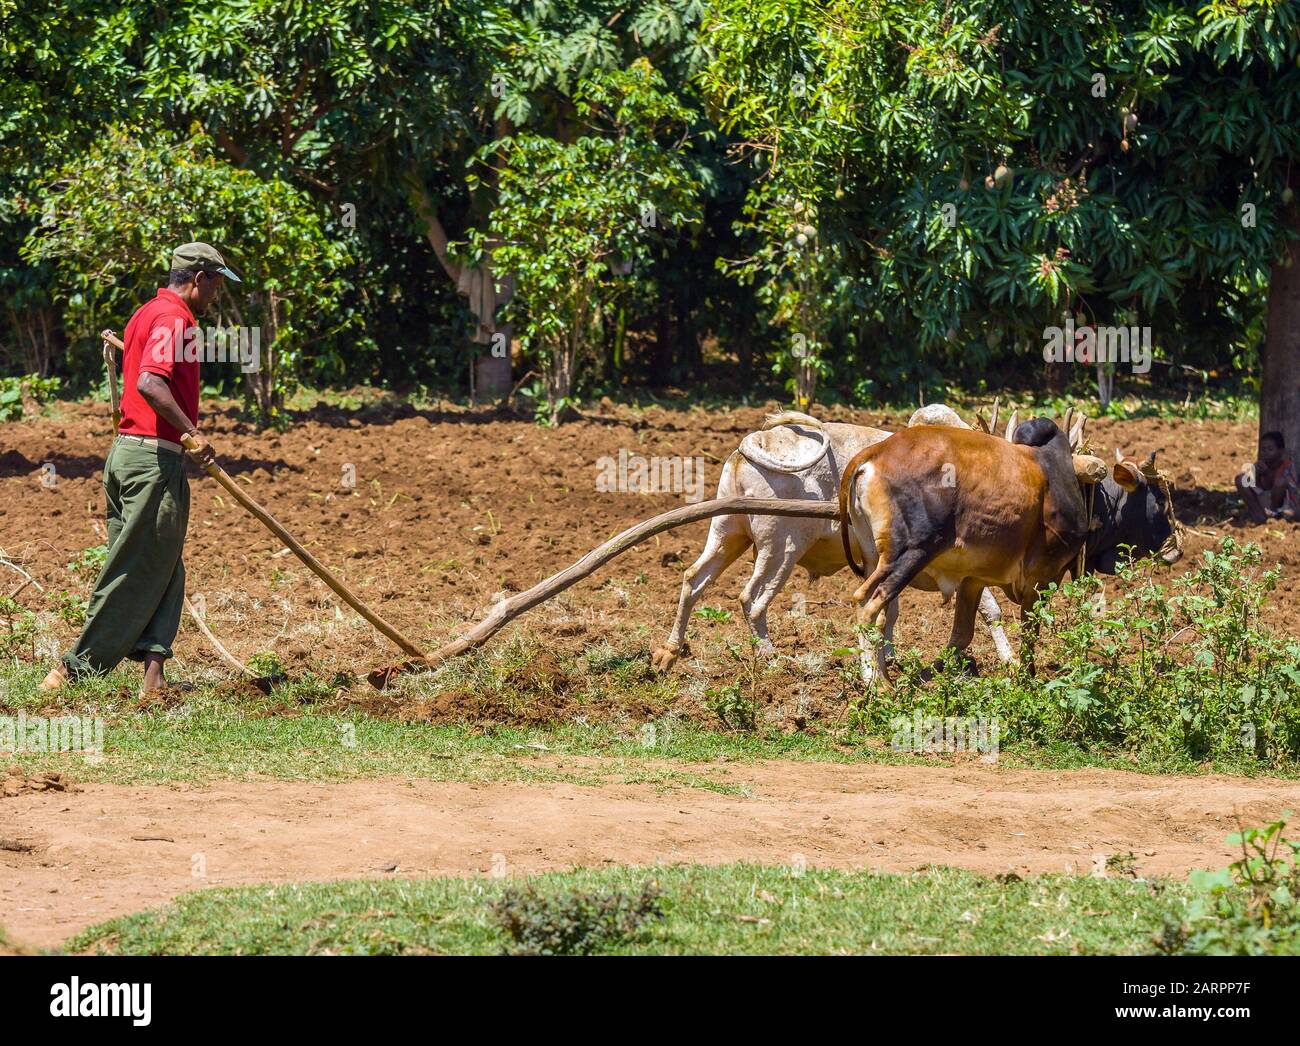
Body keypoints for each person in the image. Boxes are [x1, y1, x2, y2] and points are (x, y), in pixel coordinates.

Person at [40, 243, 238, 693]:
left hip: (128, 456)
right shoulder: (175, 319)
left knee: (163, 561)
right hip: (154, 459)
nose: (218, 294)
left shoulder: (147, 314)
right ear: (199, 277)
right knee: (135, 567)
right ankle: (74, 670)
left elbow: (142, 366)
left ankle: (154, 675)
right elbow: (150, 381)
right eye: (217, 283)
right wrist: (192, 432)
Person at [1236, 430, 1299, 524]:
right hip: (1265, 502)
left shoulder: (1287, 466)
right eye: (1263, 449)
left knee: (1280, 482)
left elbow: (1280, 486)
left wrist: (1268, 473)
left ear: (1280, 451)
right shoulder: (1261, 465)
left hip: (1285, 505)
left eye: (1270, 449)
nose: (1266, 452)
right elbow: (1261, 486)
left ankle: (1273, 515)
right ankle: (1258, 515)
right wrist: (1255, 474)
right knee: (1241, 479)